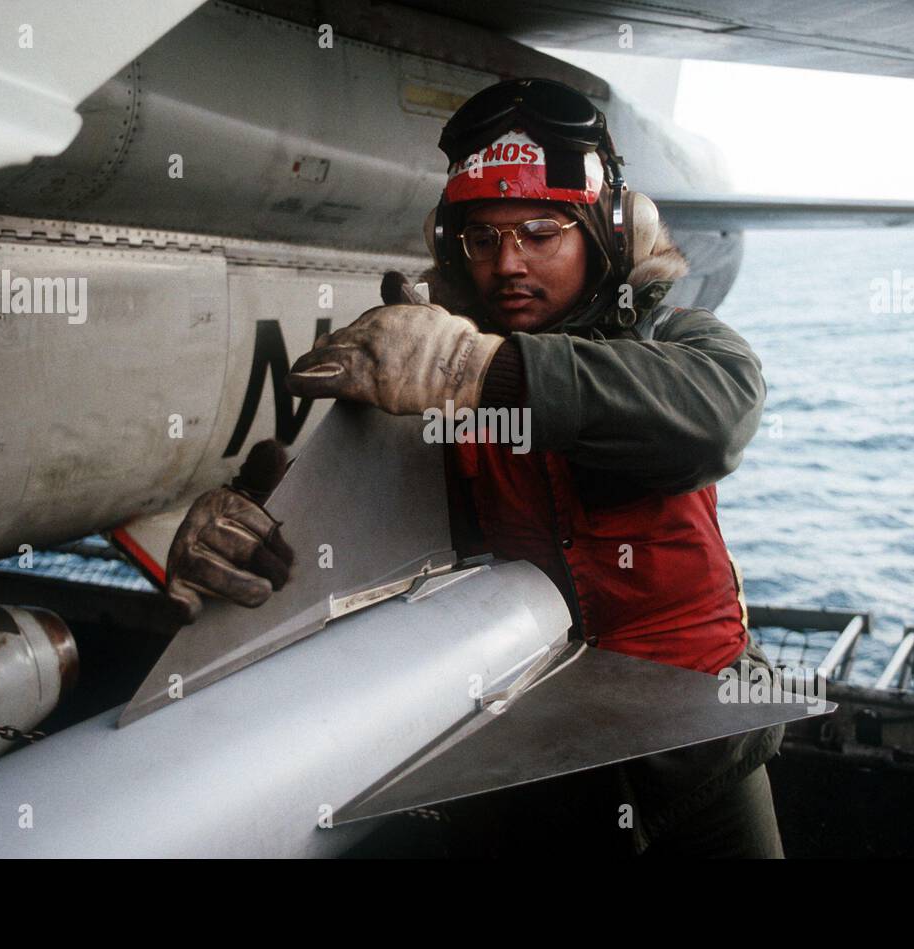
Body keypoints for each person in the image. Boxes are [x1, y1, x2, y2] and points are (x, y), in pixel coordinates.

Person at [165, 77, 785, 857]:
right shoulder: (415, 375)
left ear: (604, 232)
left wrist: (477, 369)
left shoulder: (676, 341)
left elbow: (716, 417)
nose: (508, 264)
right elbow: (344, 547)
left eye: (539, 231)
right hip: (526, 762)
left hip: (699, 747)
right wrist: (245, 530)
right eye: (482, 240)